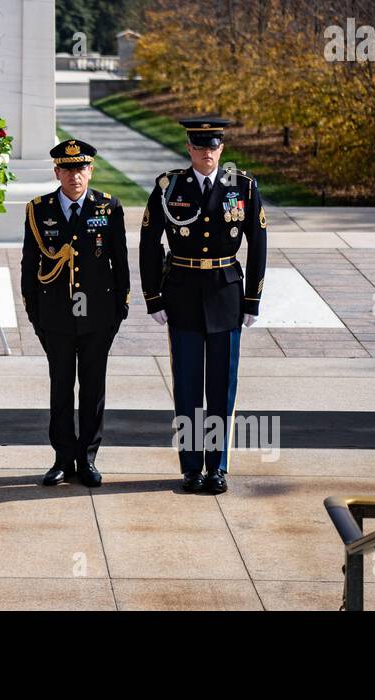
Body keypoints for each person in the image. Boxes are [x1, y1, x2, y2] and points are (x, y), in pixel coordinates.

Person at [139, 117, 268, 494]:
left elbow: (258, 245)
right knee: (188, 389)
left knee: (221, 389)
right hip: (182, 295)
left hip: (226, 295)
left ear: (221, 149)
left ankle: (218, 467)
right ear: (189, 149)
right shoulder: (169, 187)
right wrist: (153, 296)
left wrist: (253, 299)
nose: (207, 153)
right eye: (200, 147)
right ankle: (191, 467)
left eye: (213, 147)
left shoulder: (241, 186)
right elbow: (149, 243)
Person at [21, 138, 129, 488]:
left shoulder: (108, 207)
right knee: (61, 387)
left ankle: (88, 457)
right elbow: (29, 267)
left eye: (80, 168)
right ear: (57, 171)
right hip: (56, 316)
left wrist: (120, 309)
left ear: (90, 170)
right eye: (67, 169)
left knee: (93, 388)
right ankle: (63, 458)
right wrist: (36, 315)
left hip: (98, 315)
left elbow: (120, 263)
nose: (74, 175)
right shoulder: (39, 210)